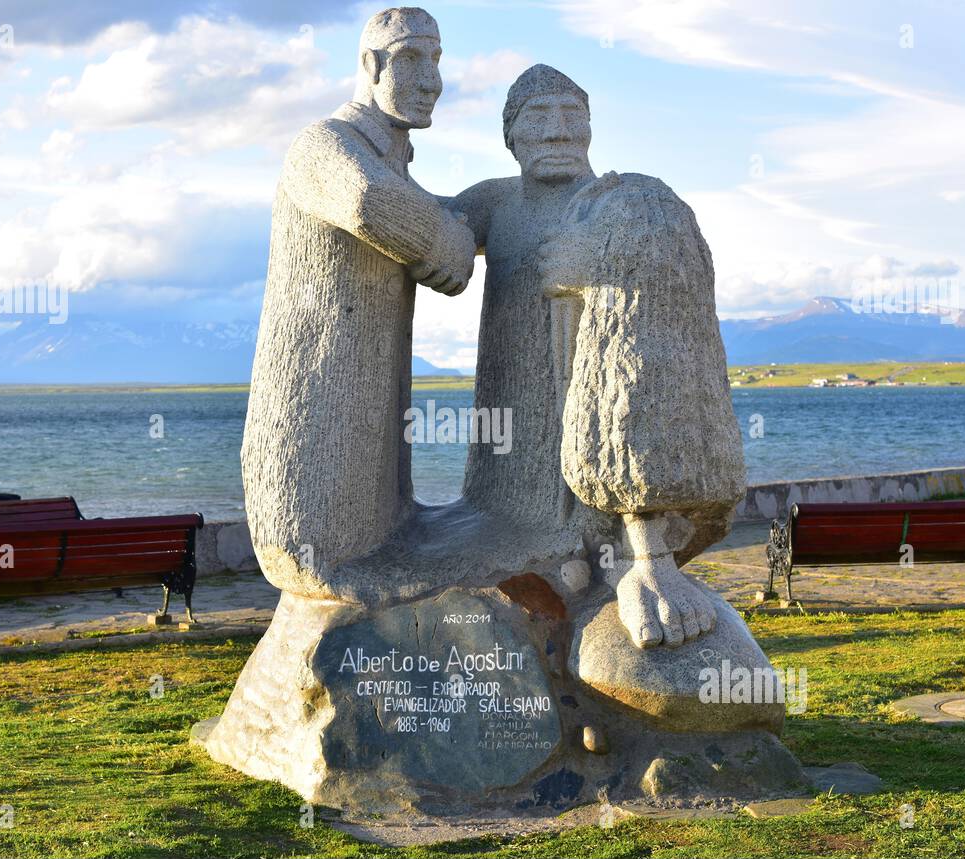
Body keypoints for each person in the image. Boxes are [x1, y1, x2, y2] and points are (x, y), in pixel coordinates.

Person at [448, 65, 746, 648]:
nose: (558, 132)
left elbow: (678, 271)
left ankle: (644, 553)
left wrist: (607, 261)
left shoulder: (622, 201)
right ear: (510, 135)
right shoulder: (494, 201)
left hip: (592, 429)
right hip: (512, 452)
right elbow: (433, 243)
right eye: (538, 116)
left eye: (572, 115)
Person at [242, 7, 476, 599]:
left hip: (372, 445)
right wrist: (443, 240)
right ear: (371, 64)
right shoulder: (323, 144)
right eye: (413, 59)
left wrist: (524, 205)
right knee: (330, 556)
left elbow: (440, 210)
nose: (431, 80)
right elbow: (368, 201)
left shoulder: (391, 162)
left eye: (437, 60)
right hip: (311, 436)